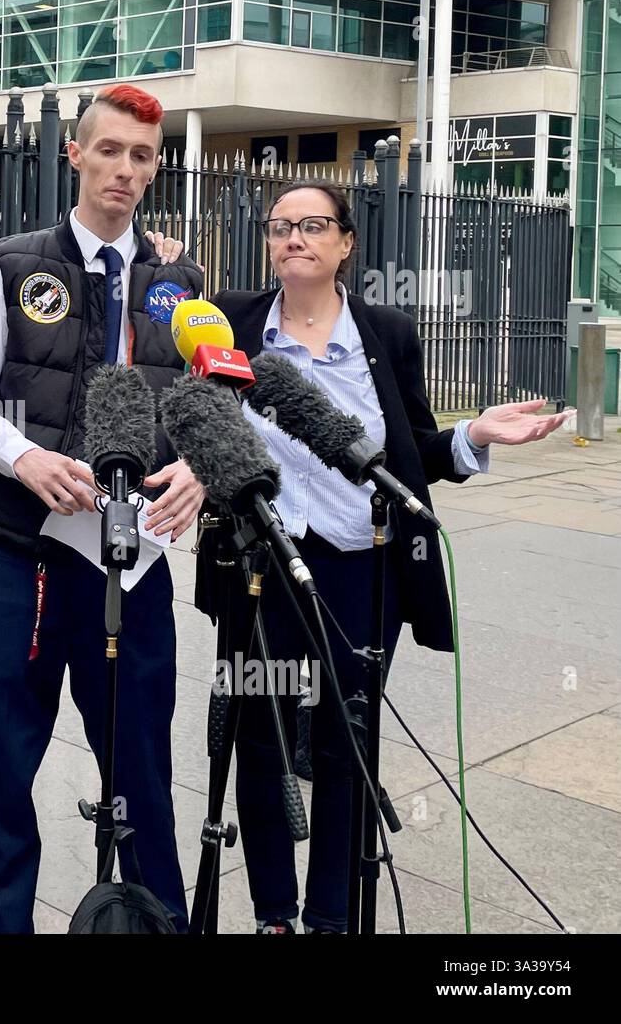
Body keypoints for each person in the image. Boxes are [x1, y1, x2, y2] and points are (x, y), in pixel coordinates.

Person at [196, 179, 572, 934]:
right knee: (260, 738)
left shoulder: (388, 333)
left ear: (345, 243)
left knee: (347, 744)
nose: (293, 237)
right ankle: (274, 915)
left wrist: (475, 437)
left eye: (312, 225)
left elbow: (409, 455)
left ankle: (333, 916)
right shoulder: (230, 323)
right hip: (258, 570)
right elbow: (190, 414)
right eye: (280, 226)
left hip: (358, 573)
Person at [0, 83, 203, 933]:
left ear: (154, 168)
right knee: (2, 774)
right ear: (76, 153)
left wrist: (202, 467)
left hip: (132, 570)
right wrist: (26, 459)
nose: (124, 171)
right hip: (18, 557)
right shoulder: (14, 262)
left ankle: (156, 924)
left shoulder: (179, 278)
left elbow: (205, 404)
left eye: (141, 157)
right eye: (109, 151)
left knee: (142, 779)